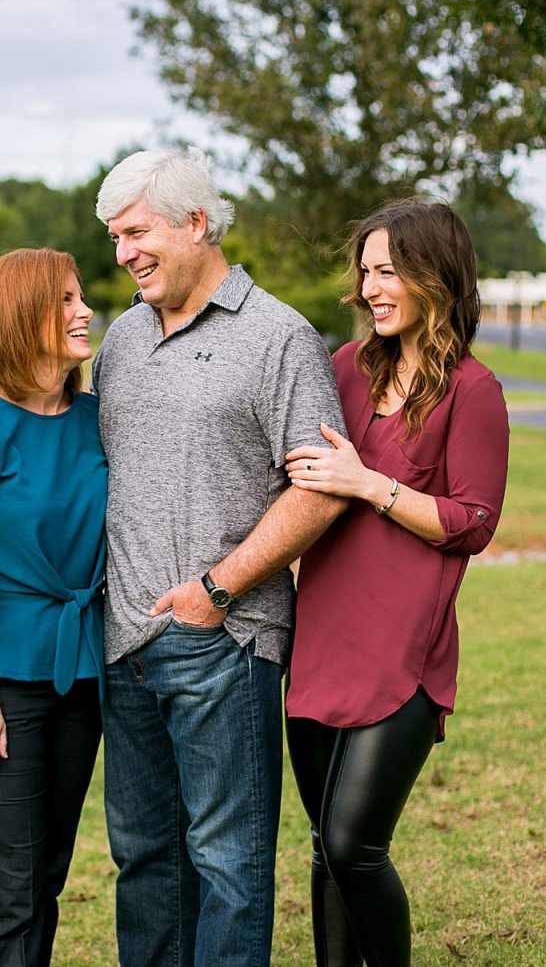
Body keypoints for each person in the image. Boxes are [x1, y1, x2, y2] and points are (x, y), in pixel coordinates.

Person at [91, 147, 348, 967]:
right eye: (113, 237)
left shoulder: (280, 337)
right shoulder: (121, 339)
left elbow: (321, 487)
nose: (123, 253)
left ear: (196, 222)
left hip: (223, 640)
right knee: (144, 862)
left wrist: (217, 589)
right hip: (123, 646)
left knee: (228, 864)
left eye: (136, 232)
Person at [284, 200, 509, 967]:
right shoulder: (344, 369)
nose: (369, 288)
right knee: (325, 845)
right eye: (366, 272)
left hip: (405, 653)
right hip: (319, 642)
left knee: (355, 844)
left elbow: (473, 520)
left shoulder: (473, 390)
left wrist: (368, 483)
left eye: (387, 272)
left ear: (433, 276)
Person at [0, 247, 108, 967]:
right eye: (65, 300)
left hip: (84, 672)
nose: (85, 311)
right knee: (14, 882)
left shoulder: (96, 416)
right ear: (18, 316)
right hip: (2, 680)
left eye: (80, 296)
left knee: (48, 873)